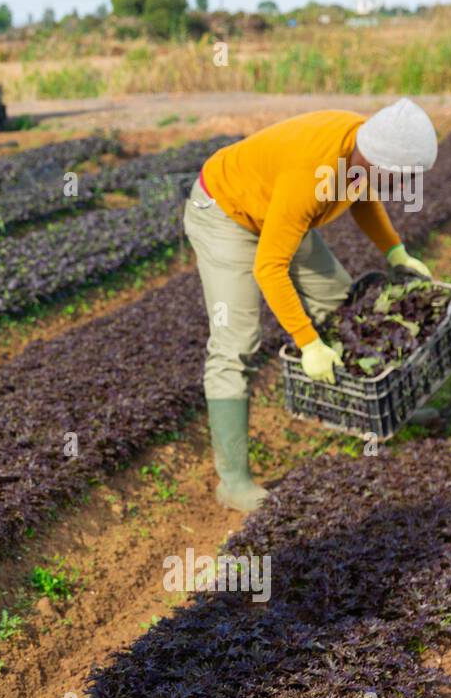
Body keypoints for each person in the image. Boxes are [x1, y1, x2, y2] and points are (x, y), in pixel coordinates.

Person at [184, 98, 437, 511]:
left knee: (343, 312)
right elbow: (269, 267)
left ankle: (385, 410)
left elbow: (360, 195)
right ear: (374, 159)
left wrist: (396, 252)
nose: (400, 187)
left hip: (277, 210)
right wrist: (308, 343)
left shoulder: (361, 146)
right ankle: (233, 481)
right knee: (238, 342)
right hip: (226, 214)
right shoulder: (313, 172)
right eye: (398, 177)